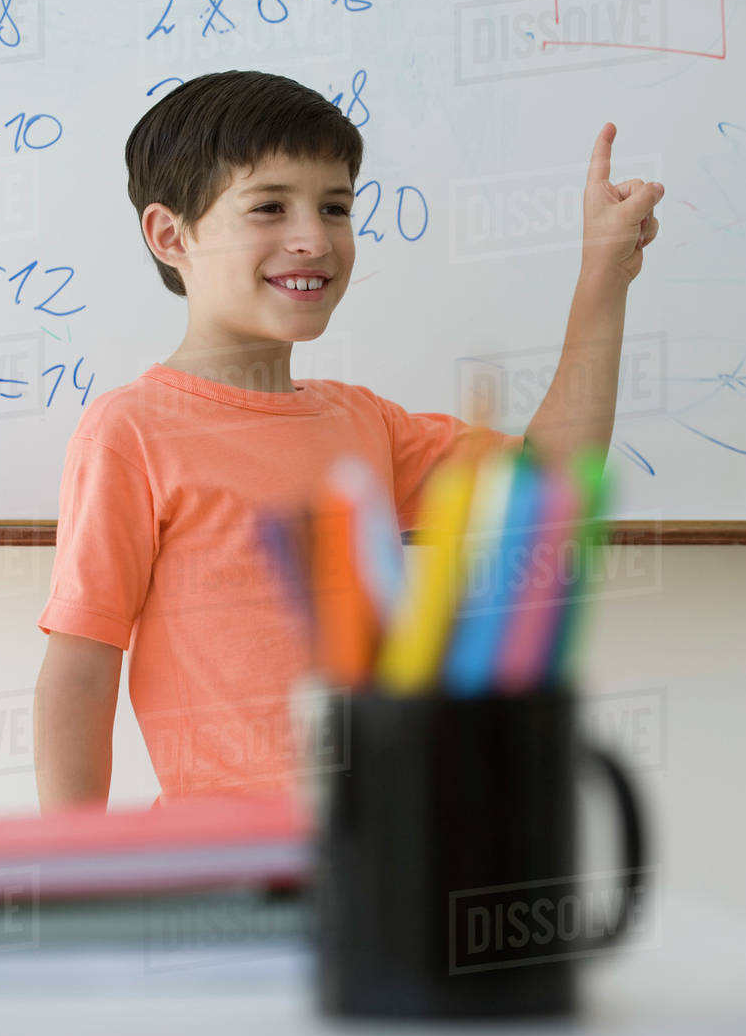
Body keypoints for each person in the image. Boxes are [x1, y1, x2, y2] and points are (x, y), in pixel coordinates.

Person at [33, 70, 662, 811]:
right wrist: (75, 864)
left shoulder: (362, 422)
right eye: (269, 206)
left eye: (334, 208)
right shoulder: (130, 432)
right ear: (173, 236)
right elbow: (81, 661)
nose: (313, 238)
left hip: (385, 847)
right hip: (229, 868)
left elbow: (550, 478)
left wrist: (602, 277)